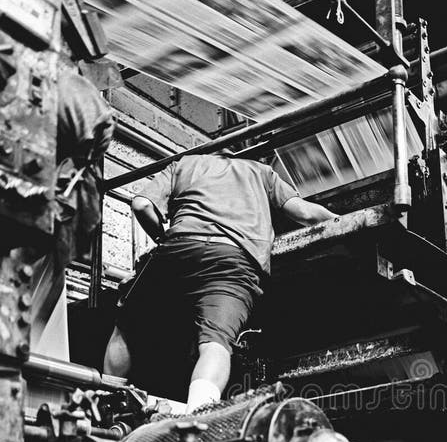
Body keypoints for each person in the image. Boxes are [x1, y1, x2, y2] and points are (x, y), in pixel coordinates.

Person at [103, 151, 337, 410]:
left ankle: (110, 403)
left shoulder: (184, 164)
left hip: (177, 250)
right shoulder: (261, 172)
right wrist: (344, 220)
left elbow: (141, 205)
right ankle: (197, 416)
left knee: (126, 328)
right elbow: (305, 214)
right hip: (230, 259)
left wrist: (162, 237)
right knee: (215, 342)